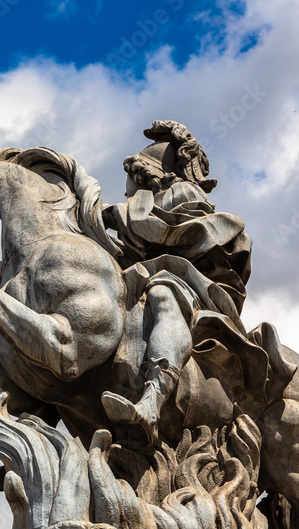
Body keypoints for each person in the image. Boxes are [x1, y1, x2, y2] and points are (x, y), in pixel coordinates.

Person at [99, 120, 252, 443]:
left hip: (193, 283)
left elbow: (171, 232)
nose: (125, 190)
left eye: (128, 180)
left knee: (163, 293)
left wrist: (115, 215)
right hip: (143, 277)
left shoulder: (179, 194)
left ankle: (152, 403)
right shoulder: (135, 209)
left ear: (142, 176)